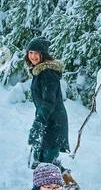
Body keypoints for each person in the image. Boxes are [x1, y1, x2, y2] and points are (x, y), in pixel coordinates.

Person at [25, 36, 70, 169]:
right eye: (30, 52)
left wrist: (39, 122)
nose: (33, 56)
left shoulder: (47, 73)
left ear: (42, 55)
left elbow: (48, 102)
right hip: (48, 121)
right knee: (45, 161)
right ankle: (69, 185)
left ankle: (51, 188)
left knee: (46, 162)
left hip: (53, 123)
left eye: (36, 53)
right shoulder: (39, 71)